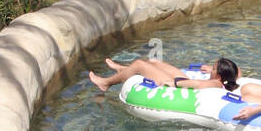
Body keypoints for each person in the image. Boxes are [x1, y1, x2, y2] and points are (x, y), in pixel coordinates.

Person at [88, 55, 240, 94]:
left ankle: (106, 83)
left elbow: (198, 84)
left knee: (140, 64)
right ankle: (122, 69)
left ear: (219, 77)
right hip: (183, 82)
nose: (211, 69)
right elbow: (237, 71)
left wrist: (173, 83)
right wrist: (211, 71)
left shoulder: (215, 83)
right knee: (155, 63)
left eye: (213, 69)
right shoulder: (223, 81)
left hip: (176, 87)